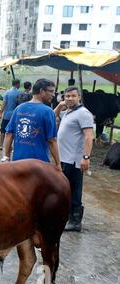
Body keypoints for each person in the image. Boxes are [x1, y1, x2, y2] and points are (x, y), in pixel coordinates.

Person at [54, 86, 94, 232]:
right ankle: (66, 217)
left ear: (79, 98)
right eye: (67, 96)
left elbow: (89, 136)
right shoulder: (68, 112)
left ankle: (75, 221)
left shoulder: (84, 113)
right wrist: (59, 105)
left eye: (73, 96)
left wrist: (85, 157)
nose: (69, 98)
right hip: (64, 158)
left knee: (74, 189)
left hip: (74, 159)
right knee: (65, 188)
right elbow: (53, 117)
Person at [3, 78, 61, 171]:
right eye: (51, 91)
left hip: (18, 162)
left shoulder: (19, 108)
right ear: (42, 91)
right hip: (38, 164)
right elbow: (52, 140)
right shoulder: (48, 111)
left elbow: (9, 134)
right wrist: (58, 164)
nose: (53, 95)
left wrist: (6, 157)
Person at [0, 79, 21, 149]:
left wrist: (1, 113)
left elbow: (4, 103)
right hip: (15, 115)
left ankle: (1, 145)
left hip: (6, 115)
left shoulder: (7, 92)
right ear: (17, 84)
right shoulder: (20, 93)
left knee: (3, 130)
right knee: (13, 131)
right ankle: (10, 146)